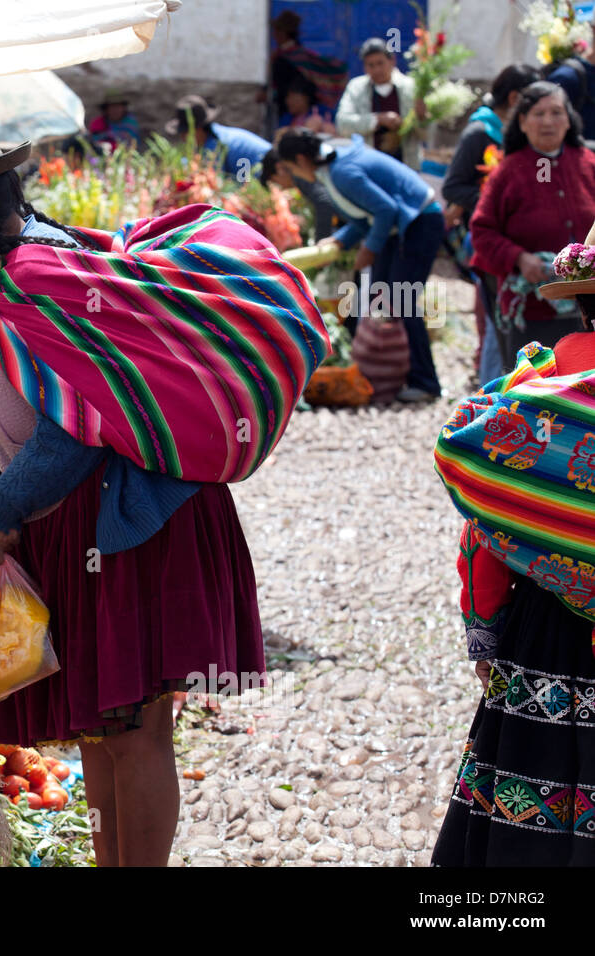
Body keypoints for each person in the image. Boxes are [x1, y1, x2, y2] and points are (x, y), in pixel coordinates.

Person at [0, 104, 305, 867]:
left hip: (125, 522)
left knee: (136, 728)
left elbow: (76, 425)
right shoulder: (8, 279)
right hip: (77, 521)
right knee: (105, 726)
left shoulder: (38, 278)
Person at [430, 250, 595, 866]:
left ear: (582, 305)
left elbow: (488, 532)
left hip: (545, 642)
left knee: (523, 833)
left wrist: (486, 631)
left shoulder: (527, 400)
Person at [276, 127, 445, 402]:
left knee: (401, 300)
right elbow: (363, 216)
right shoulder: (332, 168)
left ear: (301, 160)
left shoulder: (342, 171)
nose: (294, 175)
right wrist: (340, 240)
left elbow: (385, 210)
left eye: (291, 168)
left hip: (418, 223)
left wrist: (369, 248)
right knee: (381, 297)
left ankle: (425, 382)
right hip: (398, 227)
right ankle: (390, 375)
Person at [468, 81, 595, 360]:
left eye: (556, 112)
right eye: (538, 114)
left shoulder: (588, 163)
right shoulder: (509, 172)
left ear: (569, 119)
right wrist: (519, 258)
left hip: (590, 303)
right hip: (533, 308)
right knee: (539, 386)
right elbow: (481, 230)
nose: (548, 121)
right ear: (522, 122)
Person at [443, 64, 543, 384]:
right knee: (495, 322)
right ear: (515, 97)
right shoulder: (479, 133)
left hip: (518, 242)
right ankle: (491, 399)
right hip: (488, 240)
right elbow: (454, 187)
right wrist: (496, 199)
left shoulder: (521, 133)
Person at [336, 38, 422, 168]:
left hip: (407, 165)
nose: (376, 70)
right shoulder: (356, 88)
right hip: (369, 167)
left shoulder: (410, 88)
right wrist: (377, 120)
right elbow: (342, 124)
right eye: (370, 65)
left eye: (380, 63)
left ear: (392, 61)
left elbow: (427, 133)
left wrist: (418, 119)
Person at [267, 9, 347, 127]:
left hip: (294, 111)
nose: (274, 35)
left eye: (276, 31)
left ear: (283, 33)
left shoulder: (287, 58)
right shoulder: (290, 55)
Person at [166, 94, 270, 179]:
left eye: (185, 133)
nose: (183, 139)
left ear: (198, 129)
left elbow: (216, 180)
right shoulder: (213, 137)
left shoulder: (217, 145)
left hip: (269, 171)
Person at [258, 146, 337, 245]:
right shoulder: (300, 171)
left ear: (279, 169)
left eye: (275, 181)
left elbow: (323, 201)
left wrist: (321, 243)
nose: (282, 188)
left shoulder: (299, 175)